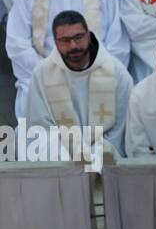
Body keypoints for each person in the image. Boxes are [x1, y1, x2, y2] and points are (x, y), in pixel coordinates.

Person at [6, 0, 129, 117]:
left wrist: (95, 71)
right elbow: (17, 45)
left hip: (96, 75)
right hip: (46, 77)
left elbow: (117, 40)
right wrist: (52, 73)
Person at [27, 9, 134, 156]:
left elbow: (120, 129)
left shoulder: (116, 72)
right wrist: (71, 160)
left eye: (78, 37)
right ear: (56, 43)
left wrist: (95, 159)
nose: (73, 46)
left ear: (89, 36)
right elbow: (41, 127)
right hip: (62, 164)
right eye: (65, 40)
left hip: (105, 161)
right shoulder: (42, 74)